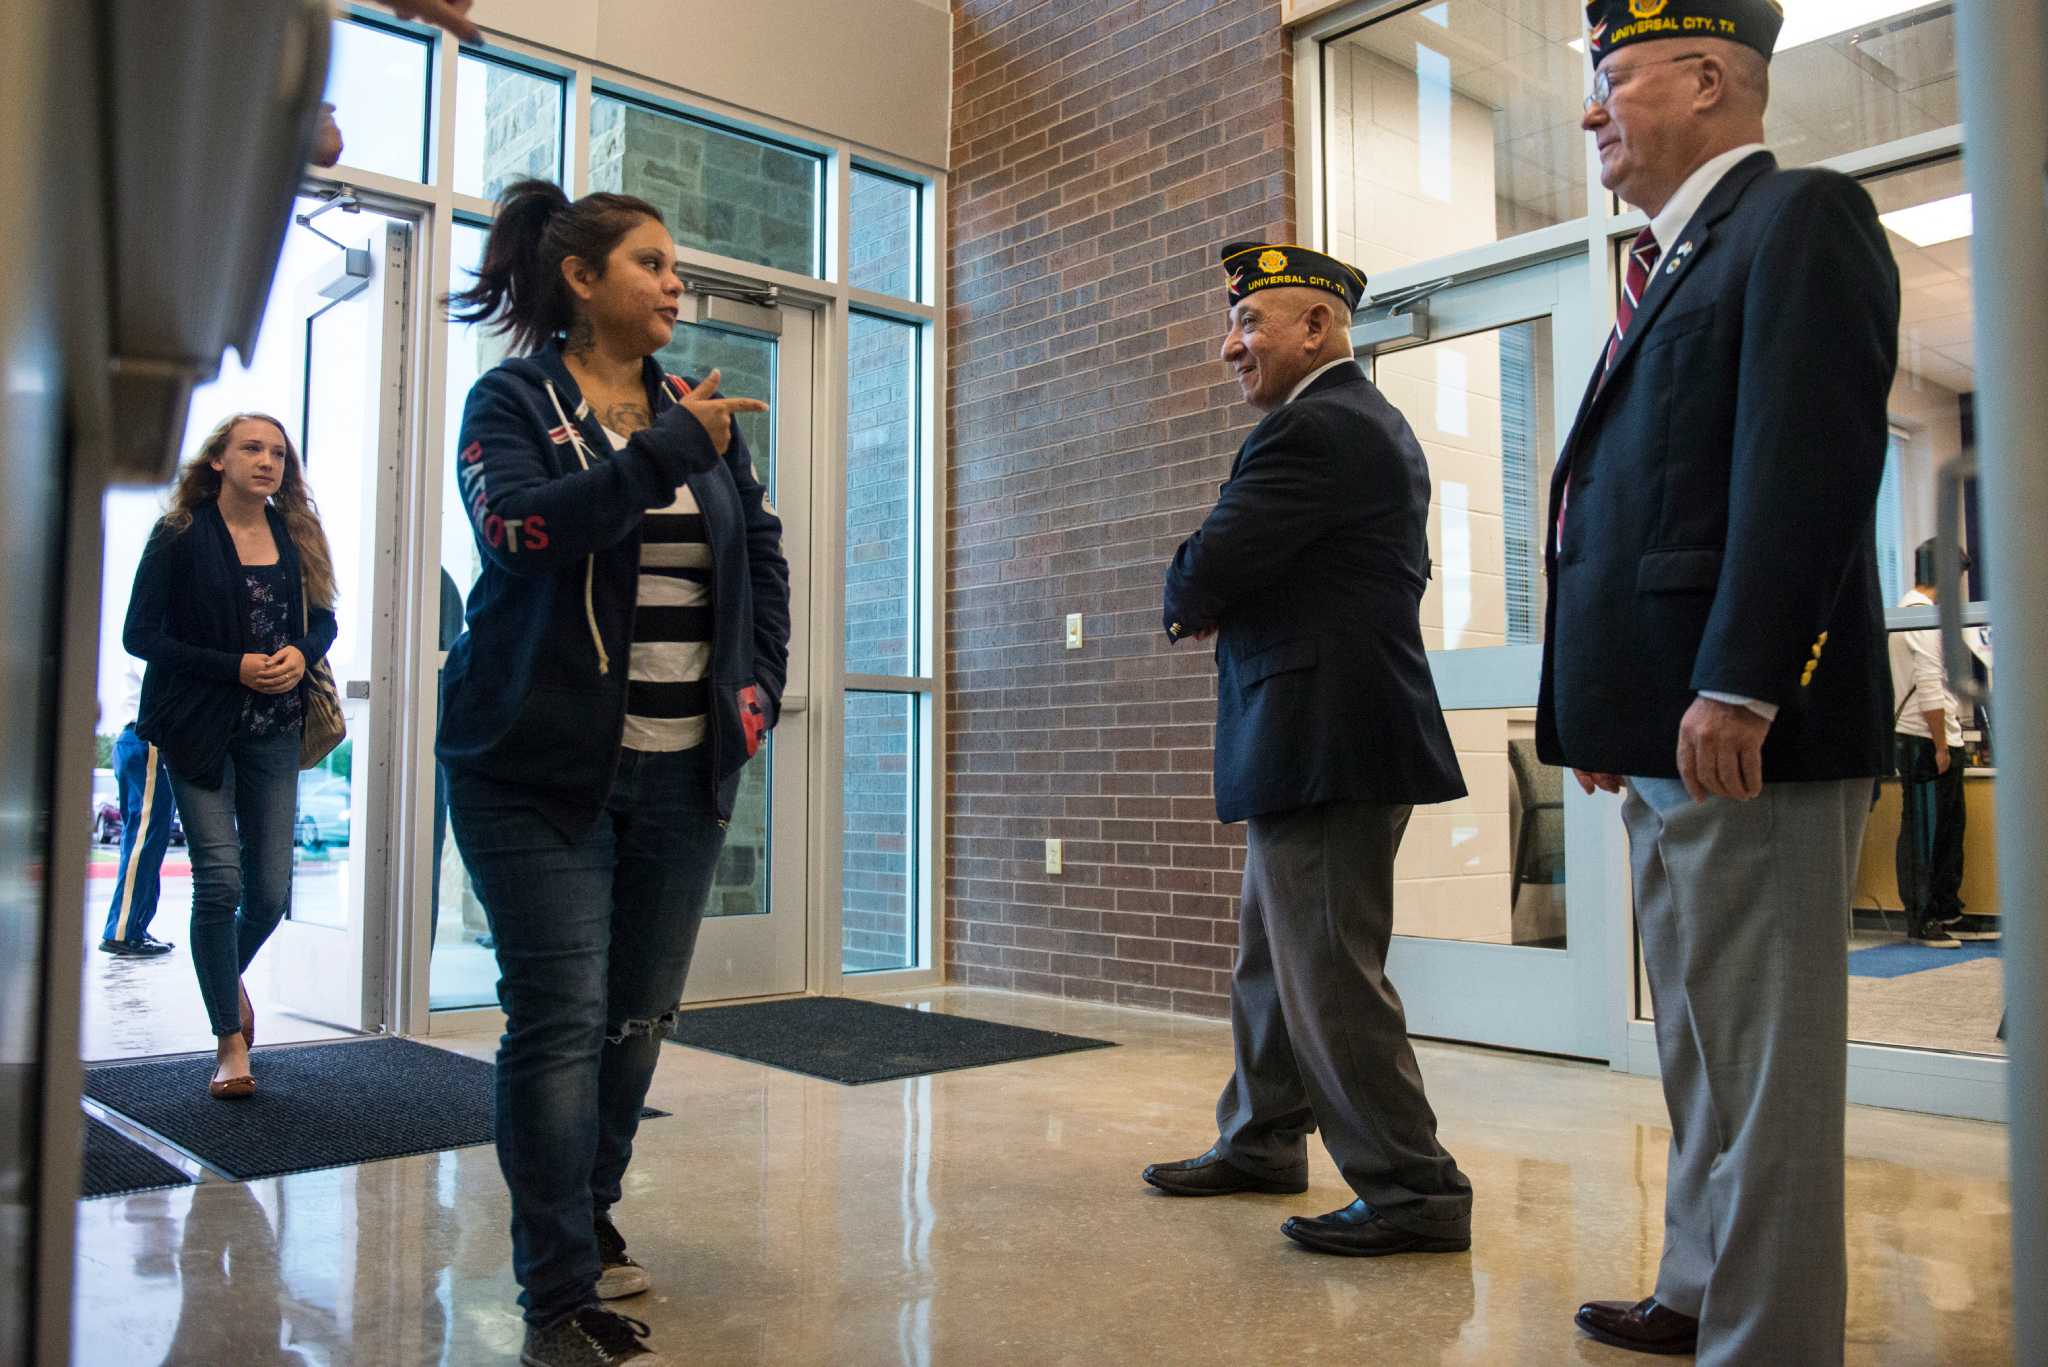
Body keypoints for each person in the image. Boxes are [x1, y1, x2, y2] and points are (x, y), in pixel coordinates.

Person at [1543, 4, 1899, 1361]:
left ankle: (1772, 1336)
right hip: (1668, 728)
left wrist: (1744, 679)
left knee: (1769, 1072)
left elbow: (1806, 468)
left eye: (1612, 77)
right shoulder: (1675, 257)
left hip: (1754, 732)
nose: (1592, 110)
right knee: (1700, 1045)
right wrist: (1599, 706)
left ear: (1708, 80)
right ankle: (1700, 1288)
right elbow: (1632, 504)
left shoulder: (1798, 219)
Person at [441, 179, 789, 1367]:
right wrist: (662, 455)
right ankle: (553, 1297)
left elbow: (761, 555)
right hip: (530, 771)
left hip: (683, 769)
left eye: (676, 266)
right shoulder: (513, 400)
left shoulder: (693, 412)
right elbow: (520, 531)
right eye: (650, 262)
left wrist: (756, 688)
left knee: (636, 1017)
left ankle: (586, 1214)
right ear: (581, 280)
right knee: (559, 1018)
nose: (675, 283)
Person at [1144, 241, 1474, 1258]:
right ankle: (1260, 1136)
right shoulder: (1344, 424)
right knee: (1270, 960)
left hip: (1326, 735)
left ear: (1317, 329)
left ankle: (1413, 1188)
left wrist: (1184, 592)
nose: (1227, 344)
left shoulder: (1316, 429)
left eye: (1248, 324)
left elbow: (1210, 564)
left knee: (1327, 970)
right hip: (1315, 734)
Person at [124, 414, 339, 1101]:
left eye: (277, 452)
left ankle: (224, 975)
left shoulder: (295, 532)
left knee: (270, 893)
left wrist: (302, 651)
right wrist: (233, 666)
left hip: (275, 728)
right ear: (217, 458)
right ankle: (229, 1039)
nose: (267, 461)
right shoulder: (180, 534)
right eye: (251, 447)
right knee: (219, 881)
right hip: (197, 726)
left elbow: (325, 617)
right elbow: (139, 634)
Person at [1888, 539, 1985, 948]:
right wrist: (1943, 745)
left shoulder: (1909, 614)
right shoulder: (1920, 619)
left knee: (1947, 828)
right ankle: (1924, 916)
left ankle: (1947, 908)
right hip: (1926, 739)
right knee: (1926, 831)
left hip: (1929, 736)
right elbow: (1929, 686)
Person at [99, 659, 180, 957]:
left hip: (139, 740)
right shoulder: (154, 637)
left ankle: (133, 927)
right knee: (144, 839)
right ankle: (123, 931)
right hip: (147, 739)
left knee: (145, 839)